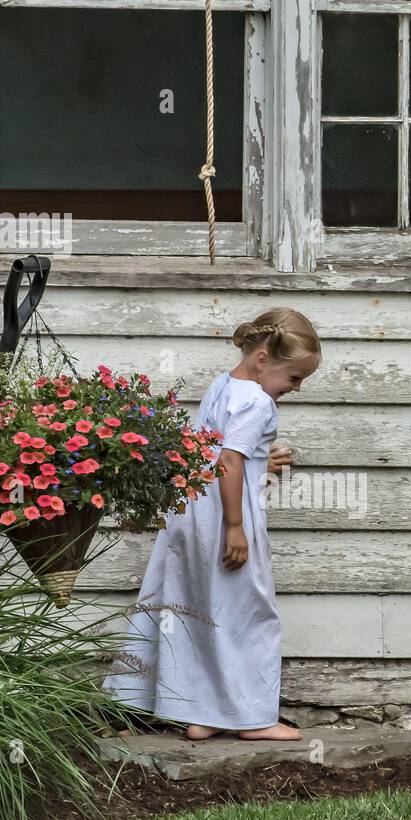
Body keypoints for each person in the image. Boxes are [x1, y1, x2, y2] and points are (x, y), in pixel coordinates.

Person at [101, 307, 321, 741]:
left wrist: (263, 463)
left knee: (201, 610)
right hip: (225, 516)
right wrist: (236, 526)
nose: (295, 388)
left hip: (191, 513)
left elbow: (215, 452)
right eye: (294, 378)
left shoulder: (223, 386)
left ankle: (203, 713)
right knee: (250, 615)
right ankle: (253, 718)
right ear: (263, 359)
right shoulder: (258, 400)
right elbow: (229, 458)